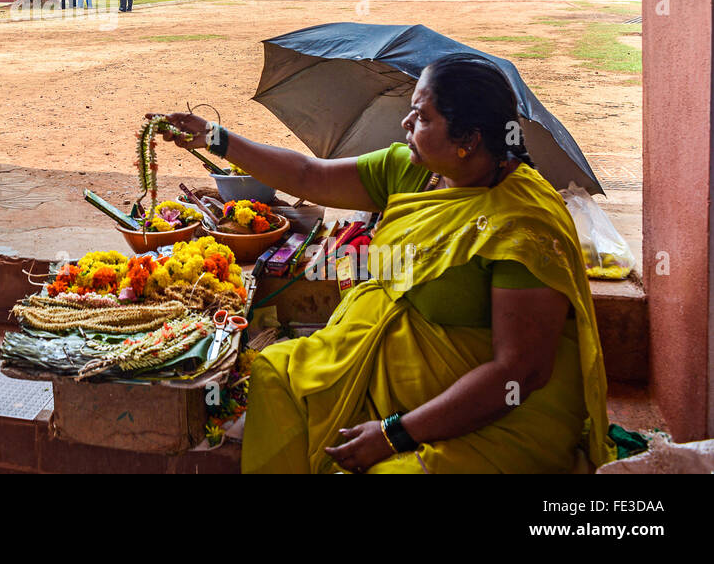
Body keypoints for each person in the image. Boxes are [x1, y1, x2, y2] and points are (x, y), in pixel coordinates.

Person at [152, 54, 614, 474]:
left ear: (469, 140)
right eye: (412, 108)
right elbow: (307, 176)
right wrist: (217, 138)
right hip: (387, 365)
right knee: (275, 378)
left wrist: (396, 432)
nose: (406, 123)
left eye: (423, 116)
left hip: (496, 415)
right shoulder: (413, 169)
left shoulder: (523, 224)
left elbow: (518, 373)